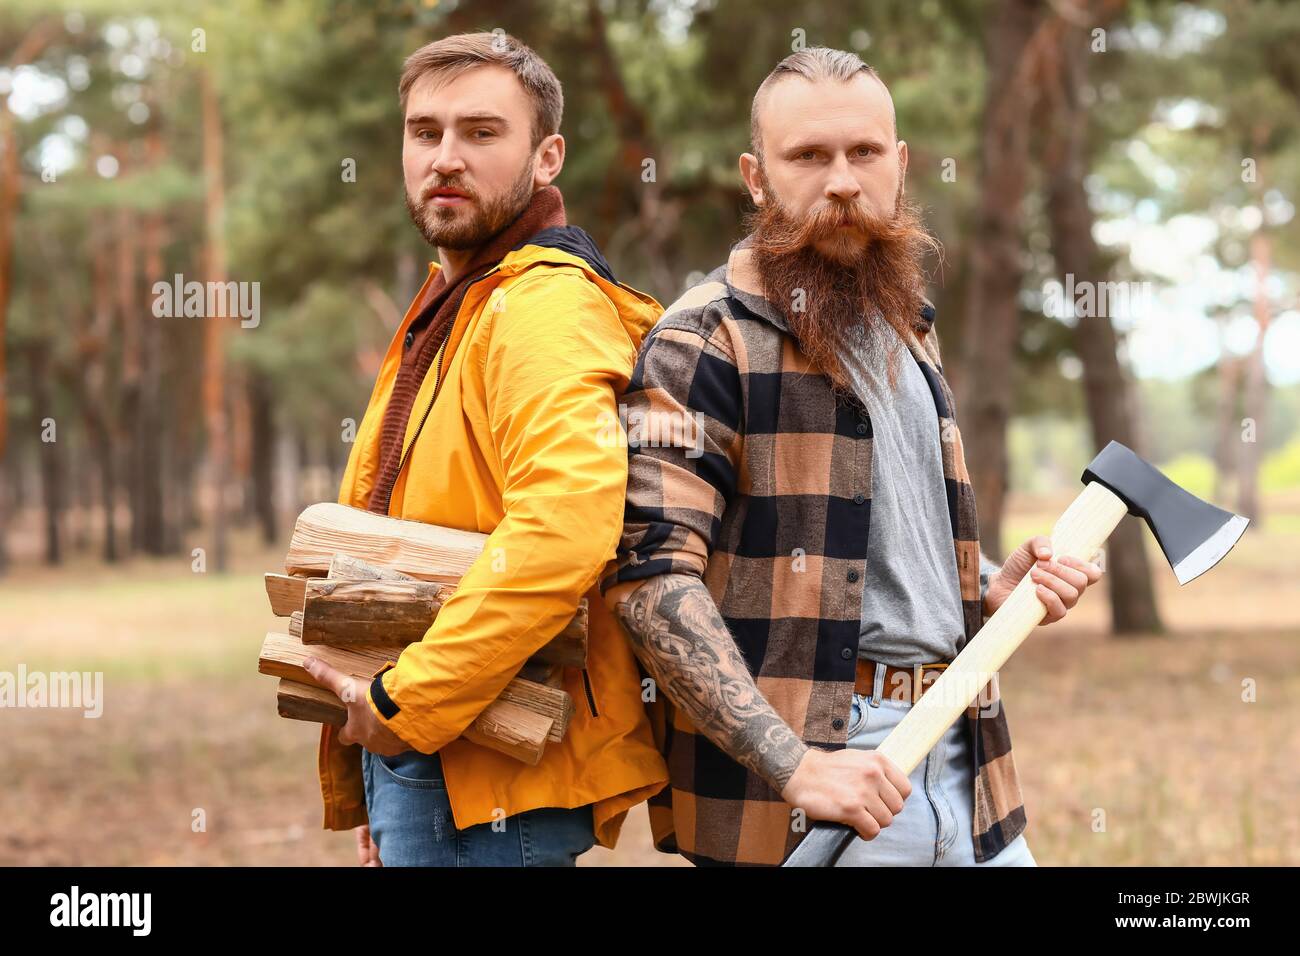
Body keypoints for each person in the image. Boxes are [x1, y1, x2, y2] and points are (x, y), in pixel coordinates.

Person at [601, 47, 1102, 867]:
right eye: (808, 156)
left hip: (962, 749)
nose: (842, 181)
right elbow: (651, 583)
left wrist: (986, 591)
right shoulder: (704, 341)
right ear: (756, 178)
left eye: (864, 153)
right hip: (815, 784)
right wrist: (796, 766)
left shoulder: (909, 329)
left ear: (898, 165)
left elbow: (878, 556)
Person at [303, 31, 669, 867]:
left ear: (548, 157)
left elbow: (563, 531)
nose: (445, 158)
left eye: (481, 132)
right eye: (424, 132)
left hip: (484, 776)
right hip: (431, 757)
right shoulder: (457, 299)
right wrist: (380, 765)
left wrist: (403, 706)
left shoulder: (541, 306)